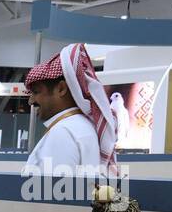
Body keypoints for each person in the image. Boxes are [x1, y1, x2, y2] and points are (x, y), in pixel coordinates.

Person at [23, 43, 116, 176]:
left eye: (36, 92)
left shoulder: (63, 132)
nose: (30, 101)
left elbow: (49, 192)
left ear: (61, 89)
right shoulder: (84, 126)